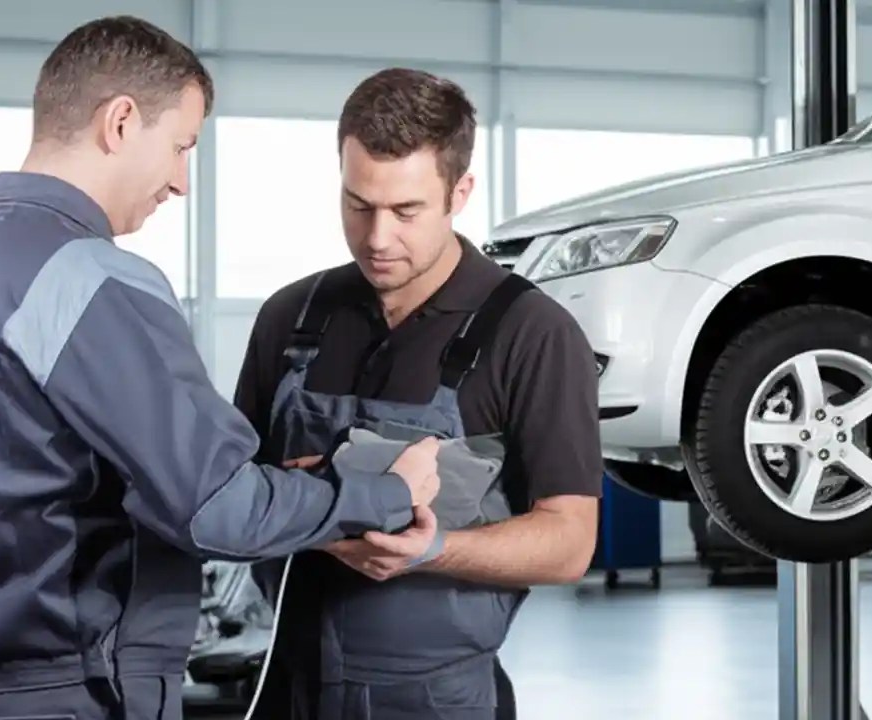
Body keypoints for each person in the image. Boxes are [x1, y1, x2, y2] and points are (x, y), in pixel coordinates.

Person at [0, 16, 442, 720]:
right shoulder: (93, 280)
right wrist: (385, 494)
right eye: (181, 146)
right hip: (93, 694)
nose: (181, 182)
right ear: (121, 121)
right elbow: (219, 511)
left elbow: (35, 474)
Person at [233, 67, 604, 720]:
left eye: (406, 212)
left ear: (459, 191)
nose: (377, 239)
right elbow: (232, 491)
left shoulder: (533, 334)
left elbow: (570, 542)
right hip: (287, 690)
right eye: (358, 204)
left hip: (439, 701)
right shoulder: (290, 316)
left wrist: (431, 551)